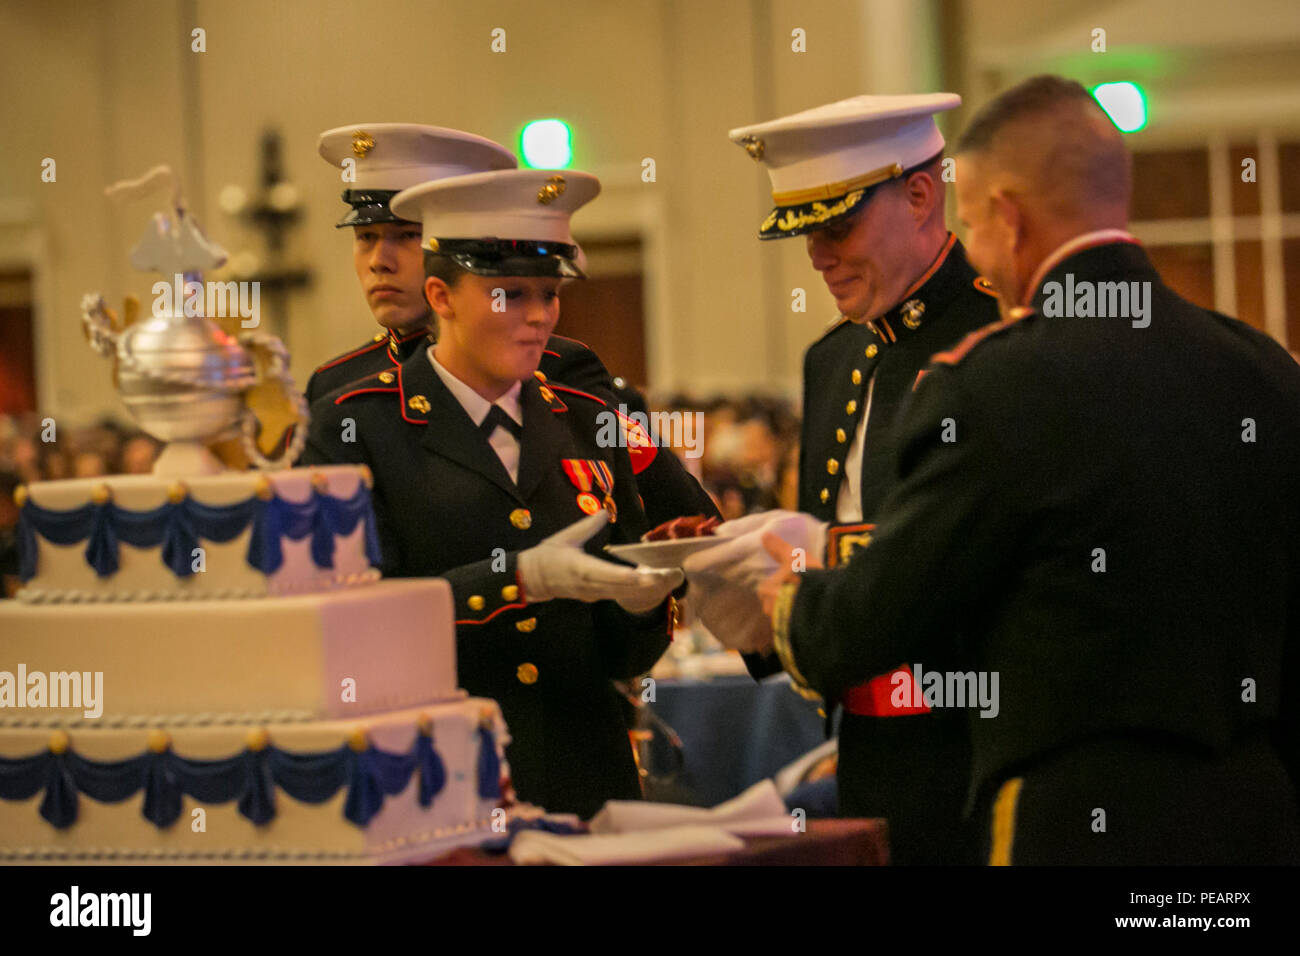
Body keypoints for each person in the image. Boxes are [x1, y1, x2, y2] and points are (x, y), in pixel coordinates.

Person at [703, 75, 1300, 864]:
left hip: (1066, 807)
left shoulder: (994, 380)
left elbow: (892, 600)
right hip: (1252, 807)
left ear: (1008, 220)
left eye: (976, 222)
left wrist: (788, 598)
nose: (974, 249)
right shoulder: (1261, 365)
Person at [302, 167, 682, 819]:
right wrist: (519, 580)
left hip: (584, 781)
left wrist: (643, 601)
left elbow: (619, 655)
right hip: (438, 786)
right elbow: (349, 625)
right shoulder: (355, 428)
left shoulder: (586, 419)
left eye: (549, 294)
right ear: (440, 296)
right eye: (509, 295)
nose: (538, 317)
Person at [687, 94, 999, 863]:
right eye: (805, 233)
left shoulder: (1002, 342)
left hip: (980, 746)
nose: (816, 256)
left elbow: (984, 559)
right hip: (866, 746)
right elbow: (833, 597)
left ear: (921, 196)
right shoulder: (832, 360)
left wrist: (821, 552)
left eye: (836, 226)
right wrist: (752, 601)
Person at [311, 123, 717, 527]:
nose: (380, 260)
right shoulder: (338, 391)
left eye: (406, 236)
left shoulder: (558, 368)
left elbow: (678, 516)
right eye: (365, 236)